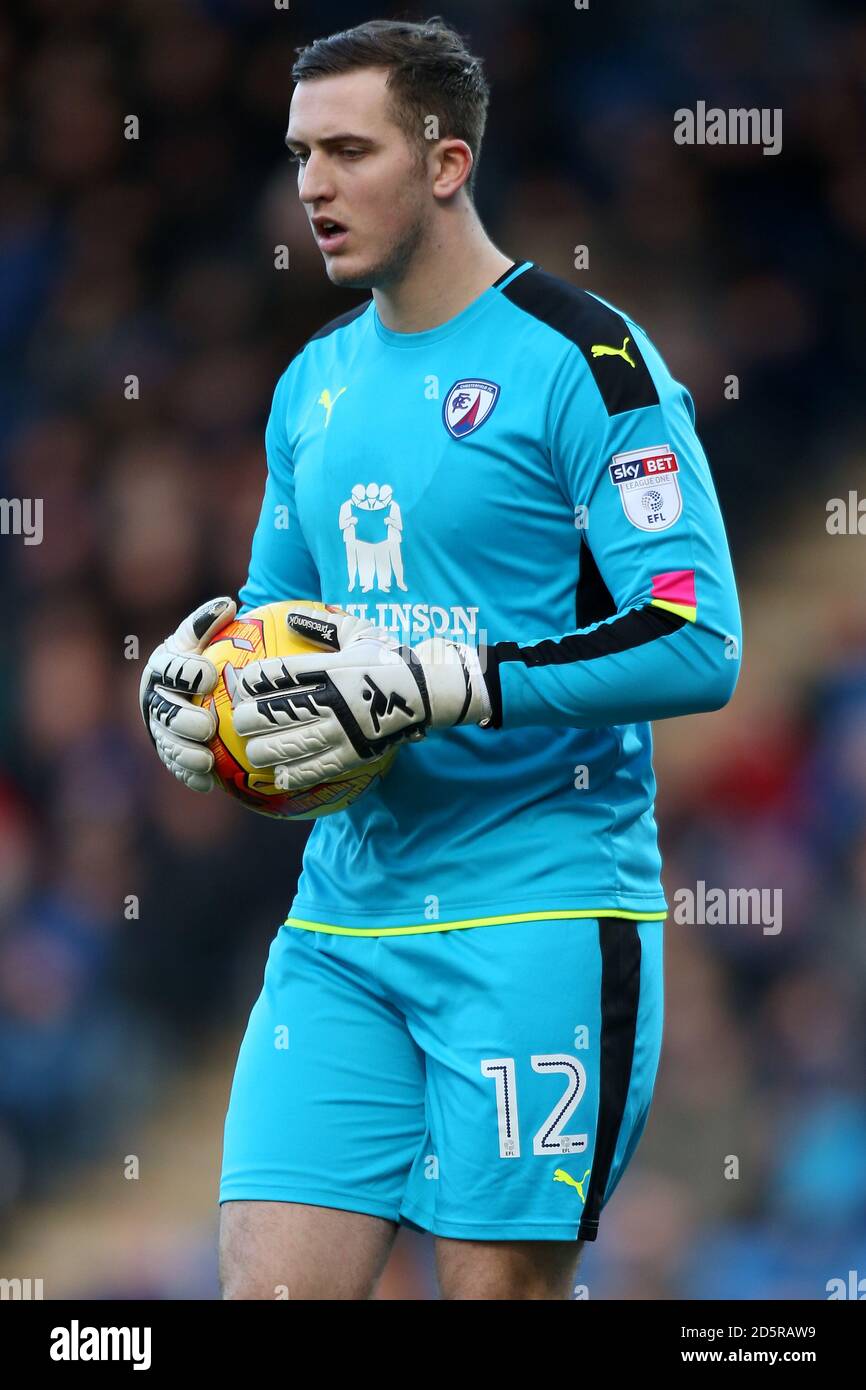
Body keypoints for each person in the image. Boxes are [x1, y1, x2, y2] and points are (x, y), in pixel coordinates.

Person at [139, 16, 741, 1300]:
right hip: (342, 922)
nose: (311, 185)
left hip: (536, 908)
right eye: (301, 153)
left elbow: (697, 642)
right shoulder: (312, 386)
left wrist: (451, 680)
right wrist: (205, 688)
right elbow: (274, 619)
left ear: (446, 161)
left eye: (349, 150)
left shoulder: (586, 360)